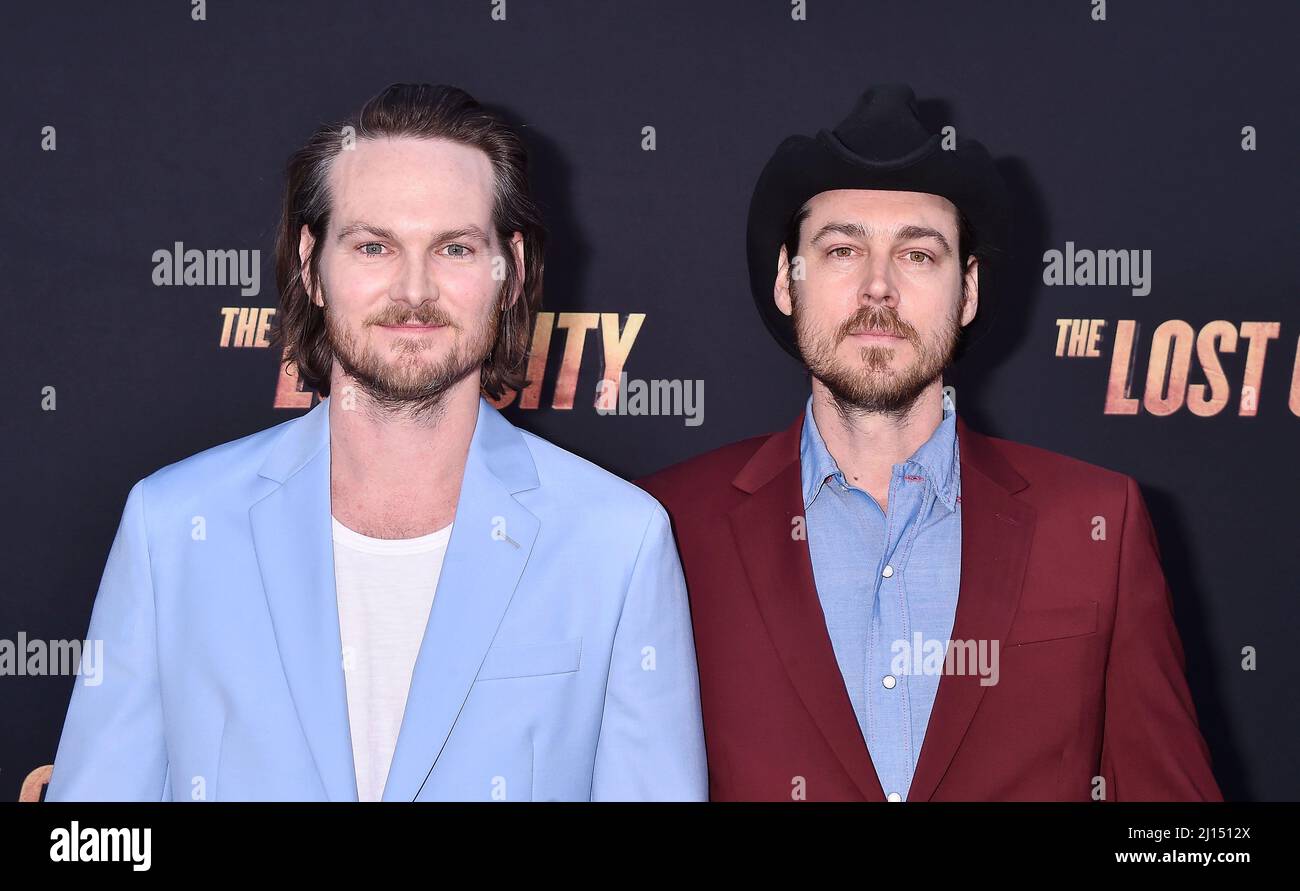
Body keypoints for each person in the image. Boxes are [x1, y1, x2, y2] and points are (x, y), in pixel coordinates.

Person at [46, 83, 706, 802]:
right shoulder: (171, 526)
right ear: (311, 263)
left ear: (509, 271)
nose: (414, 289)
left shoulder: (616, 542)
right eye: (373, 246)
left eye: (455, 247)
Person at [638, 84, 1221, 802]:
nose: (878, 287)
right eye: (843, 249)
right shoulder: (665, 527)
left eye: (918, 255)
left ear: (967, 291)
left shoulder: (1099, 524)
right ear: (788, 281)